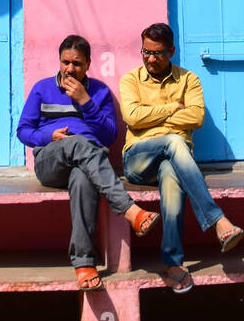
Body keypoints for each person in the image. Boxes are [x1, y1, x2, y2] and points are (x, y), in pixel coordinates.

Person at [17, 34, 158, 291]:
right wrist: (49, 136)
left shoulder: (100, 93)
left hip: (88, 165)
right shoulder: (42, 88)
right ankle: (128, 209)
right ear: (59, 61)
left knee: (83, 180)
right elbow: (23, 131)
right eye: (65, 62)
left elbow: (109, 135)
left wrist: (85, 101)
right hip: (51, 161)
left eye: (77, 63)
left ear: (88, 64)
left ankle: (84, 264)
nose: (70, 68)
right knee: (77, 142)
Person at [120, 23, 244, 293]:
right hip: (138, 160)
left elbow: (196, 117)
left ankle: (173, 262)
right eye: (146, 52)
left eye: (159, 53)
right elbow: (131, 117)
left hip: (173, 161)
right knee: (175, 140)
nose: (151, 59)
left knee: (172, 183)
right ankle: (217, 221)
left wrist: (151, 116)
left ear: (172, 51)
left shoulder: (189, 80)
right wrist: (173, 109)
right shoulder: (131, 80)